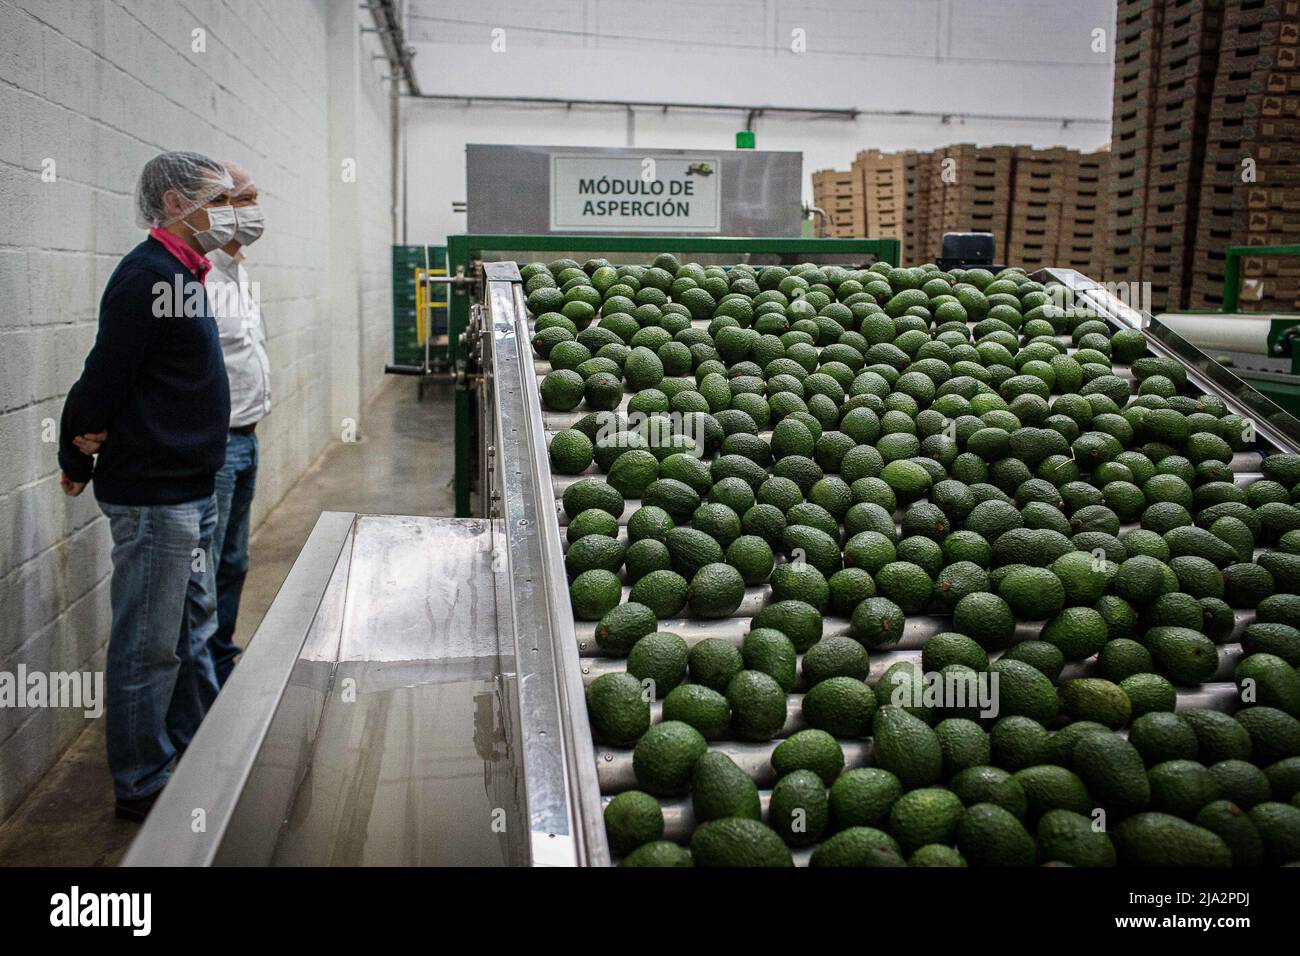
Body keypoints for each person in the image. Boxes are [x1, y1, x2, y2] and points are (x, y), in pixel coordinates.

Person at [58, 151, 233, 821]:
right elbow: (104, 374)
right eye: (216, 200)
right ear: (173, 204)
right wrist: (77, 443)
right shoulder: (146, 276)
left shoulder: (186, 274)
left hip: (191, 486)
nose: (231, 215)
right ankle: (141, 780)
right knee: (149, 645)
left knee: (193, 631)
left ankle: (200, 746)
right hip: (158, 497)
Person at [206, 162, 270, 685]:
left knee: (232, 562)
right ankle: (199, 681)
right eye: (242, 200)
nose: (253, 211)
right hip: (214, 447)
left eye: (253, 199)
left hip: (247, 438)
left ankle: (221, 659)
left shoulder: (237, 272)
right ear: (215, 206)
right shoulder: (193, 279)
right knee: (202, 571)